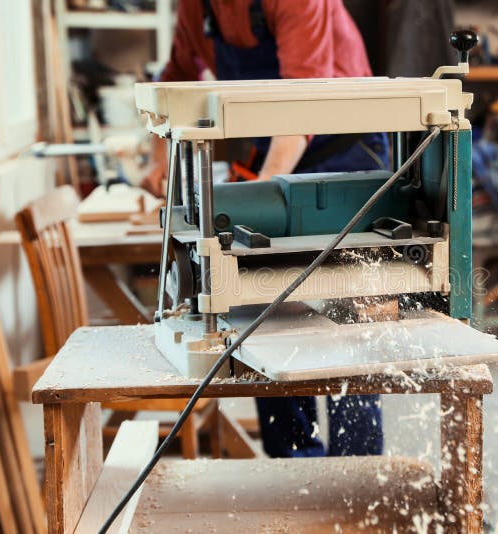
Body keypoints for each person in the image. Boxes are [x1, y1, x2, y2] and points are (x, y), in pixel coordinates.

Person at [150, 0, 386, 458]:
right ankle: (293, 465)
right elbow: (174, 78)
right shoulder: (195, 7)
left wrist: (251, 199)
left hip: (347, 148)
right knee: (262, 305)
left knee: (348, 306)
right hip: (280, 148)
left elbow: (302, 107)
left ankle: (354, 472)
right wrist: (157, 162)